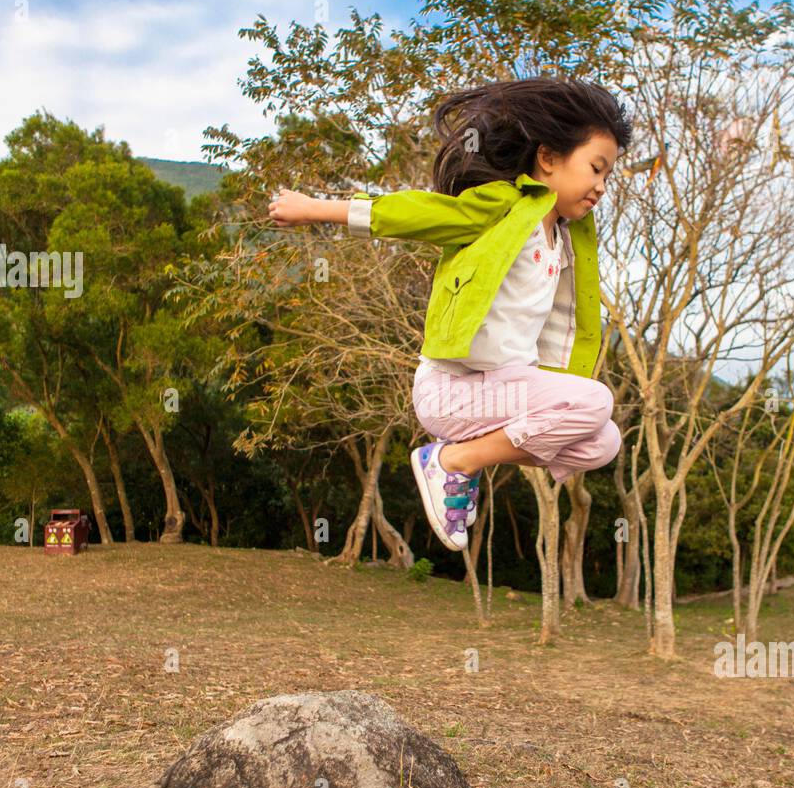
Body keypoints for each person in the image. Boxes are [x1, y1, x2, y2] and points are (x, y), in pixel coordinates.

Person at [267, 76, 632, 552]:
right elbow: (416, 214)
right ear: (547, 158)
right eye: (596, 168)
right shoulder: (503, 208)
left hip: (503, 390)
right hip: (452, 389)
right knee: (594, 401)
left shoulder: (564, 237)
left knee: (603, 442)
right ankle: (455, 462)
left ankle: (463, 461)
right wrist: (315, 208)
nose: (601, 186)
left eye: (608, 177)